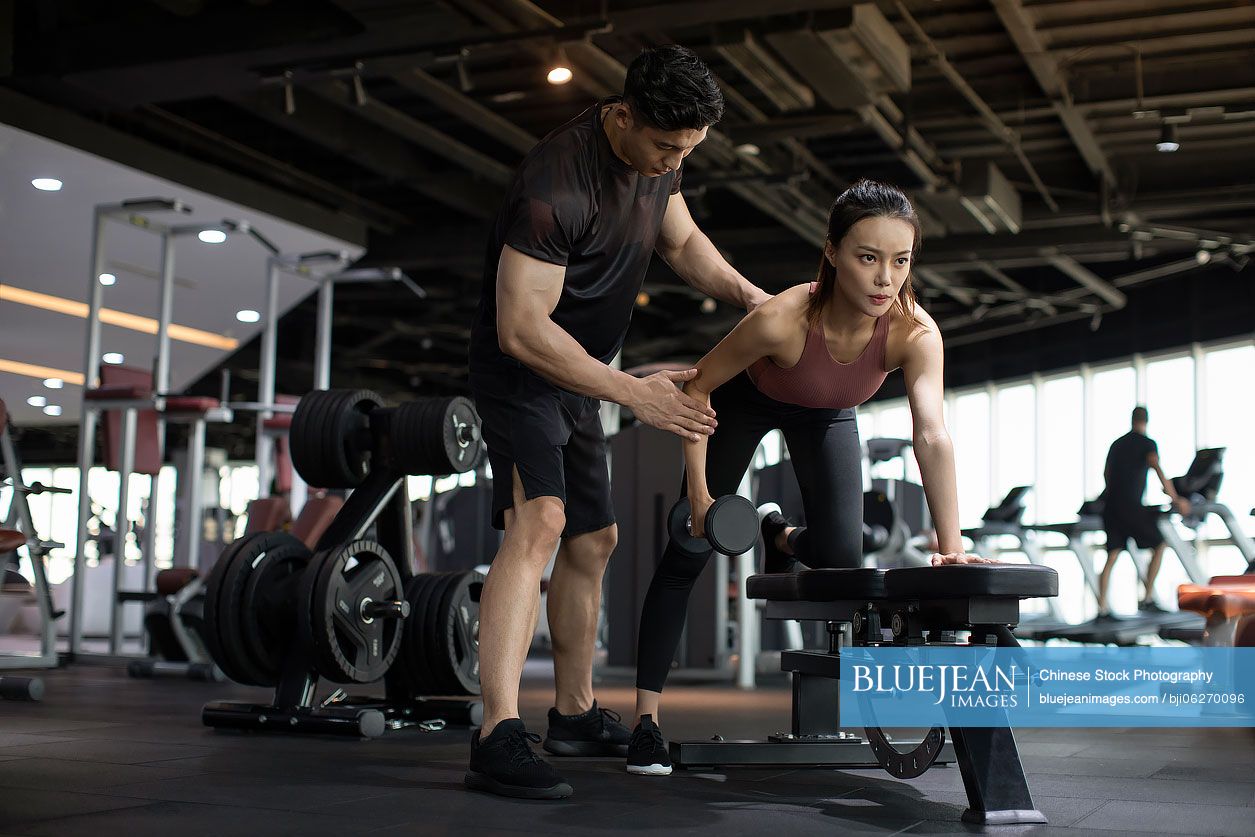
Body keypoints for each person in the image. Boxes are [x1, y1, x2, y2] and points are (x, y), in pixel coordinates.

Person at [465, 45, 771, 800]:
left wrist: (753, 300)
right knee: (539, 521)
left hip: (583, 375)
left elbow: (681, 240)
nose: (675, 160)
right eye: (666, 146)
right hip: (523, 374)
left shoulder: (661, 159)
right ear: (623, 116)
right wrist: (635, 395)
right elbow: (522, 329)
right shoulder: (554, 186)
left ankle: (572, 715)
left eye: (689, 149)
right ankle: (496, 731)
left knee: (594, 538)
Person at [627, 179, 992, 777]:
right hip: (747, 402)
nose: (885, 279)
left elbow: (931, 434)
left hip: (827, 412)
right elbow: (698, 389)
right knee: (687, 548)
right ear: (832, 252)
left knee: (843, 560)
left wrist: (950, 547)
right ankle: (646, 721)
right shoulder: (781, 319)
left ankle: (778, 535)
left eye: (900, 261)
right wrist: (700, 496)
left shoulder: (915, 332)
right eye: (867, 257)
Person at [1097, 406, 1191, 617]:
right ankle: (1147, 598)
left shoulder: (1117, 444)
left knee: (1111, 556)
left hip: (1111, 506)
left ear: (1132, 420)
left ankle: (1101, 608)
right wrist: (1176, 499)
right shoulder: (1148, 443)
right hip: (1131, 506)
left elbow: (1106, 473)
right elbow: (1156, 468)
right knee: (1159, 544)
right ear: (1146, 421)